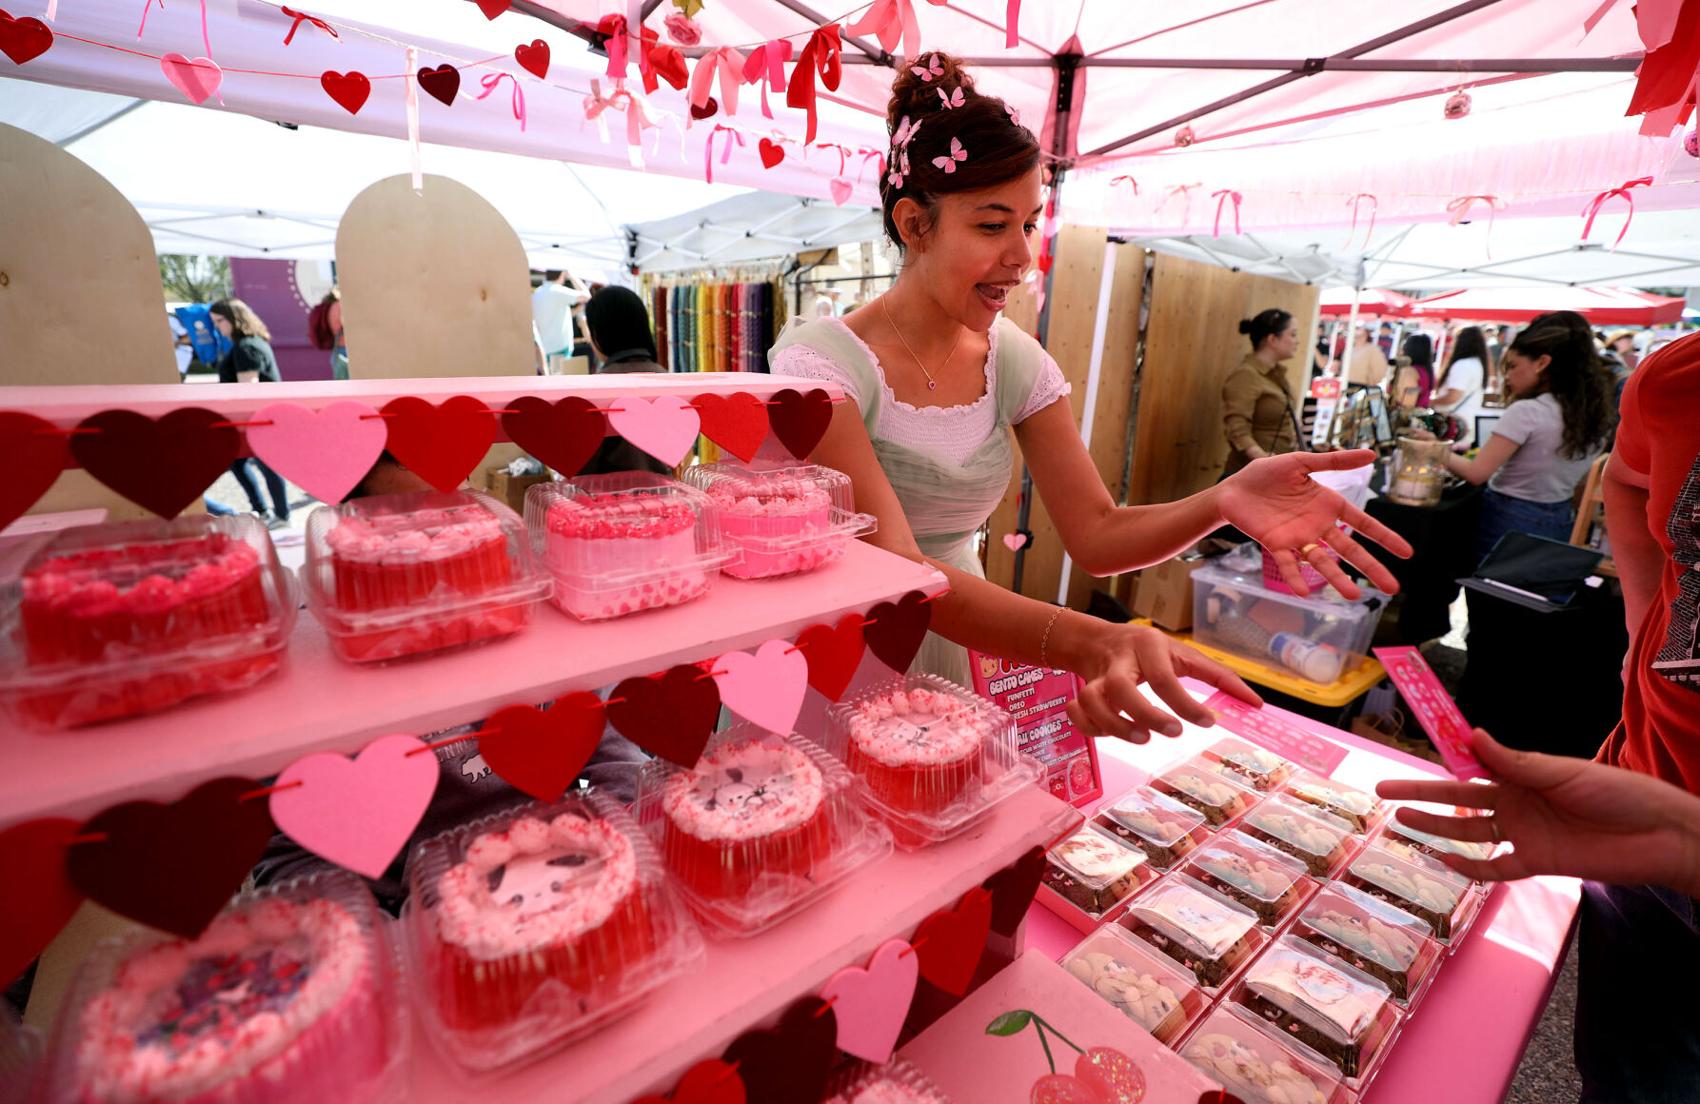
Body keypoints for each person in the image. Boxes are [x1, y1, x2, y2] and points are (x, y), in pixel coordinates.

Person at [769, 51, 1412, 739]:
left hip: (957, 645)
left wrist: (1223, 500)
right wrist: (1091, 641)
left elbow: (1097, 533)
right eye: (992, 225)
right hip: (842, 649)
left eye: (1029, 222)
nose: (1023, 255)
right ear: (914, 224)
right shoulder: (821, 369)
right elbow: (895, 569)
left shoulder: (1015, 360)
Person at [1381, 332, 1700, 1101]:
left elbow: (1481, 471)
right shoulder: (1667, 380)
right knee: (1628, 1078)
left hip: (1657, 830)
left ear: (1539, 363)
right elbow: (1624, 480)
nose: (1511, 373)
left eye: (1517, 363)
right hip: (1646, 808)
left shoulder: (1535, 413)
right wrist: (1643, 621)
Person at [1429, 323, 1614, 560]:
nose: (1507, 376)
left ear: (1542, 363)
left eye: (1513, 366)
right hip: (1560, 518)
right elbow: (1581, 486)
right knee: (1523, 593)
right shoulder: (1595, 415)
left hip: (1509, 518)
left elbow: (1476, 472)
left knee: (1490, 590)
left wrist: (1432, 447)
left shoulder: (1528, 411)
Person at [210, 299, 291, 528]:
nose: (217, 327)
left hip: (256, 418)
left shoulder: (246, 347)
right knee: (242, 462)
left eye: (219, 321)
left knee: (265, 464)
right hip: (257, 417)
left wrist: (242, 422)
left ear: (234, 319)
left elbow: (249, 388)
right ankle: (265, 510)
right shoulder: (252, 343)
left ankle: (280, 514)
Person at [581, 286, 672, 476]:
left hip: (608, 500)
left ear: (598, 334)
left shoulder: (598, 387)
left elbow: (584, 464)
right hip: (667, 498)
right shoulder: (664, 377)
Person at [1219, 308, 1302, 478]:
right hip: (1249, 476)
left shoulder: (1277, 374)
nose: (1297, 341)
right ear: (1272, 339)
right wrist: (1260, 457)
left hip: (1275, 472)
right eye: (1292, 334)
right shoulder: (1246, 375)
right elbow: (1236, 427)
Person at [1431, 325, 1488, 447]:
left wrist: (1431, 402)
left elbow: (1453, 396)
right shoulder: (1477, 363)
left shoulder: (1463, 364)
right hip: (1464, 423)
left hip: (1453, 425)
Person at [531, 269, 588, 363]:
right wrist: (572, 276)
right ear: (562, 274)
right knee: (559, 376)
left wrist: (577, 310)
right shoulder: (558, 291)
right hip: (559, 349)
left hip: (544, 348)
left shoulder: (537, 293)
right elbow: (587, 295)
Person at [1393, 332, 1435, 408]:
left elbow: (1408, 404)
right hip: (1420, 414)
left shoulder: (1410, 372)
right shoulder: (1426, 371)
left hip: (1406, 417)